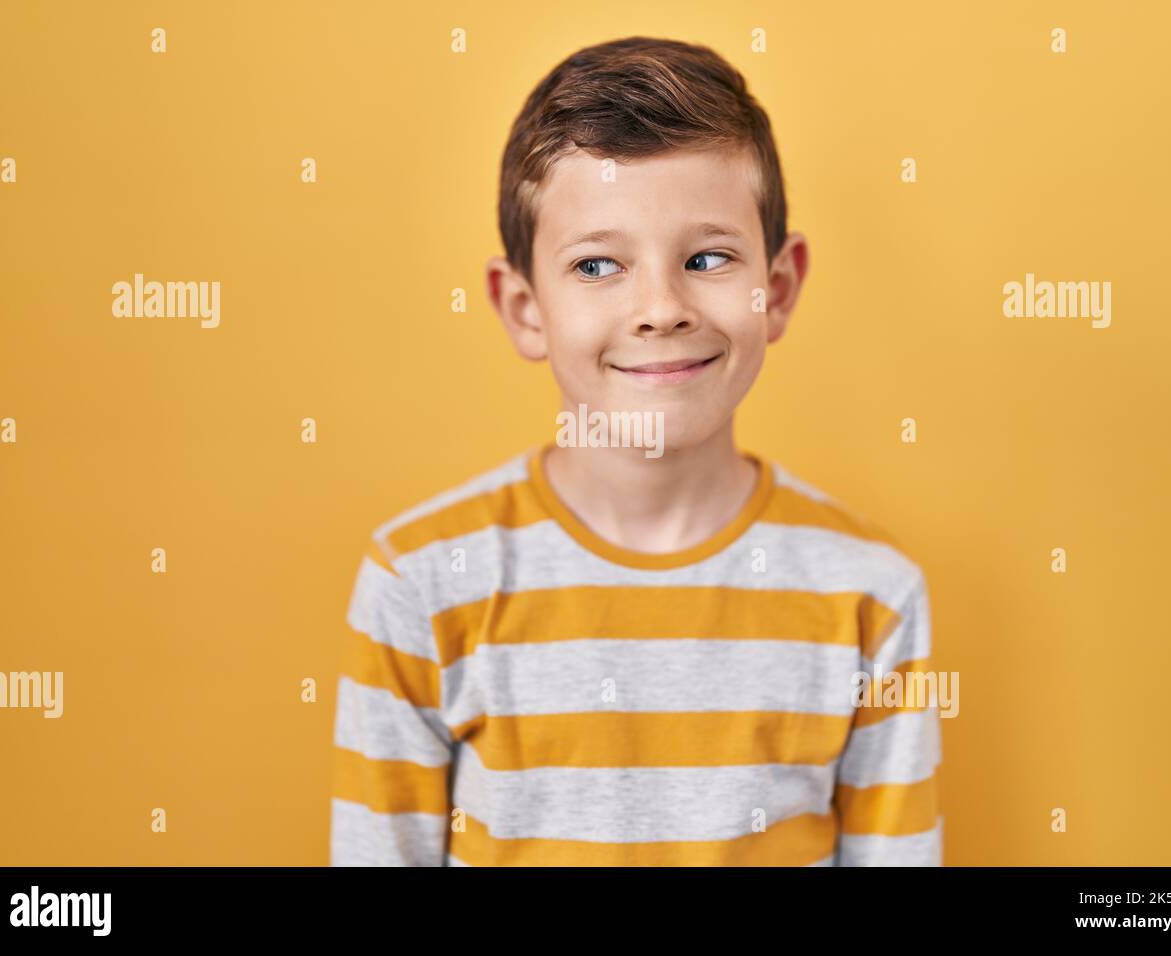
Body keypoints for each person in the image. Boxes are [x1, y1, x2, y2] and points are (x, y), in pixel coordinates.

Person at [330, 35, 942, 866]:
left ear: (780, 288)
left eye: (707, 257)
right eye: (596, 265)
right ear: (524, 309)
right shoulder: (420, 584)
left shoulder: (871, 595)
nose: (660, 308)